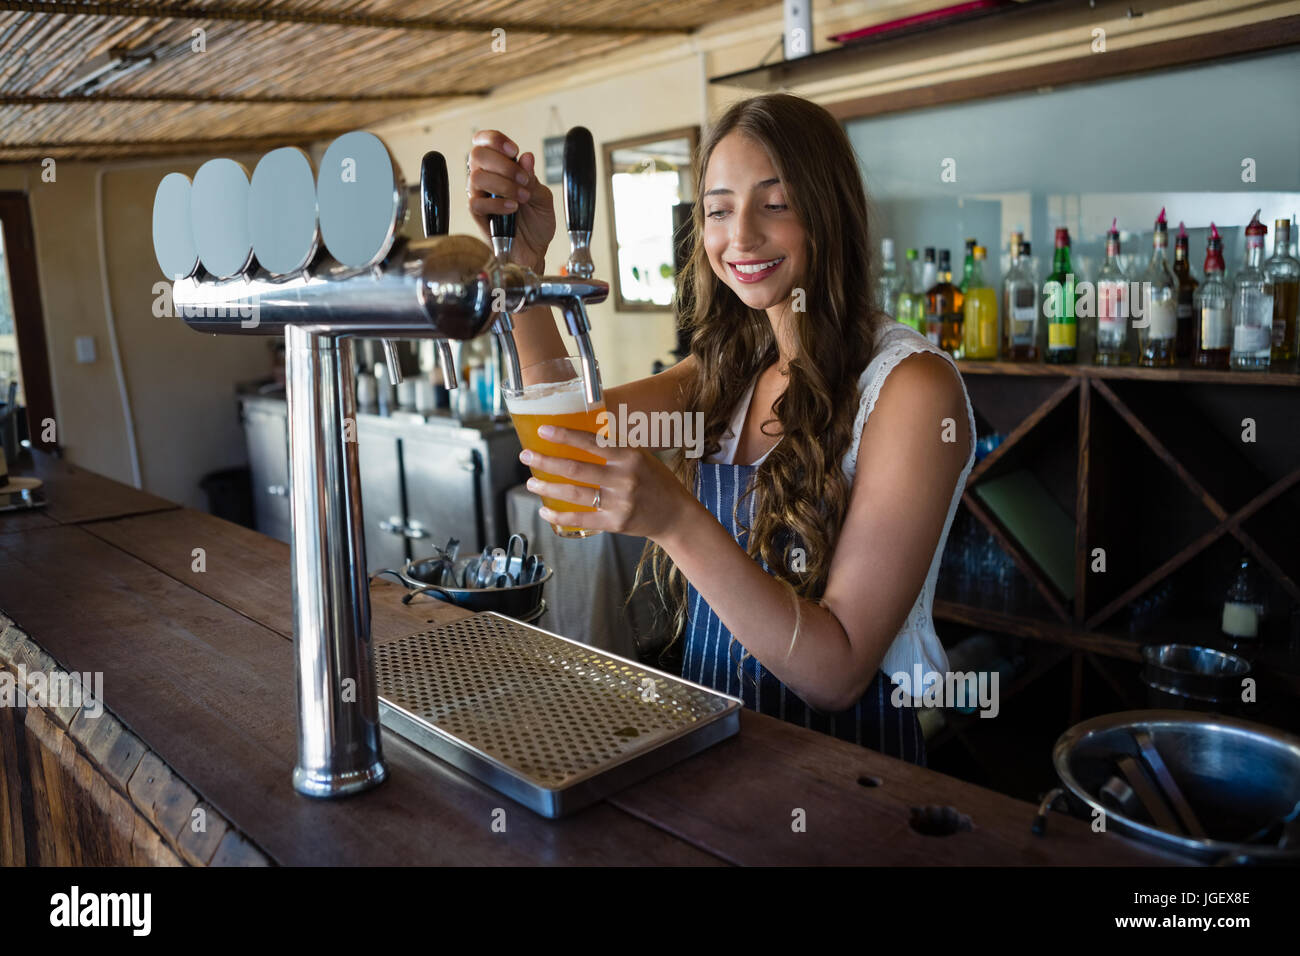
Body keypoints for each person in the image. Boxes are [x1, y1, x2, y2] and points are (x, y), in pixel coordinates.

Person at [466, 93, 974, 765]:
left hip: (851, 774)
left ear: (830, 212)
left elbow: (839, 672)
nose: (740, 238)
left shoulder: (910, 388)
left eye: (774, 203)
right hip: (714, 751)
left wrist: (674, 519)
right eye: (718, 210)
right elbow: (566, 440)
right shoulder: (726, 376)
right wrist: (523, 265)